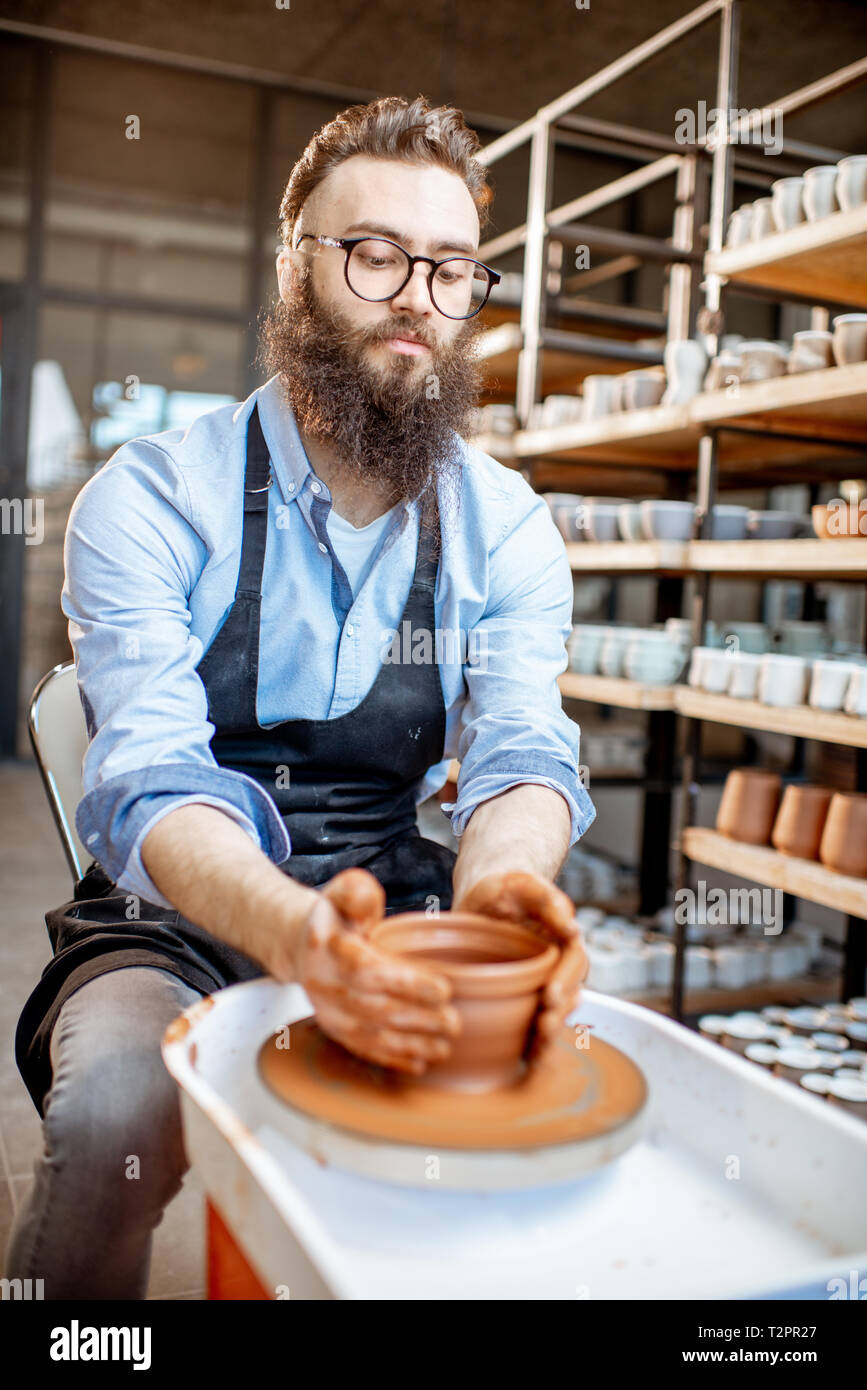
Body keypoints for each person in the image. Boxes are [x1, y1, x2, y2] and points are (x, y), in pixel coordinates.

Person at [5, 95, 595, 1299]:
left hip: (386, 898)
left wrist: (502, 909)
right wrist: (291, 942)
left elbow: (522, 754)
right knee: (117, 1116)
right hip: (172, 909)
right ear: (297, 267)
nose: (414, 298)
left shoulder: (508, 526)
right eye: (374, 254)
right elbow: (149, 781)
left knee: (514, 1109)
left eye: (448, 269)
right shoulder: (158, 497)